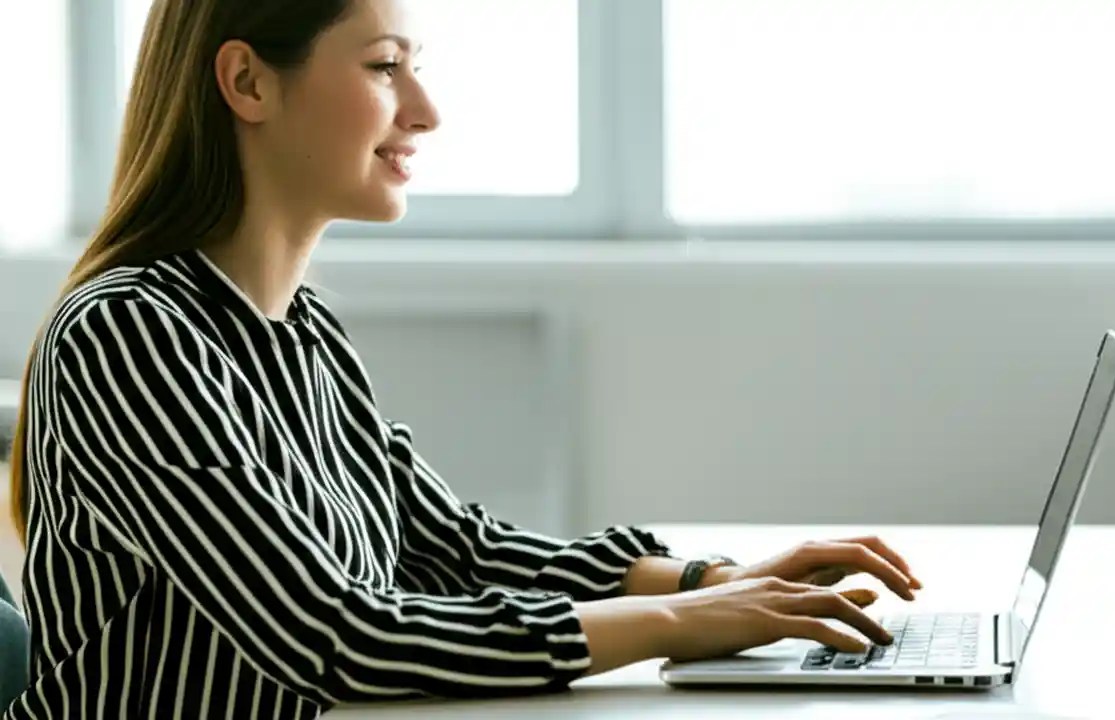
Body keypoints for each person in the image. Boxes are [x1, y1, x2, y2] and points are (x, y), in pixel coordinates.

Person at [2, 0, 923, 717]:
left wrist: (716, 581)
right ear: (248, 82)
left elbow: (455, 549)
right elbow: (336, 637)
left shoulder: (304, 334)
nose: (426, 110)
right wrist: (678, 623)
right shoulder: (126, 336)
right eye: (384, 66)